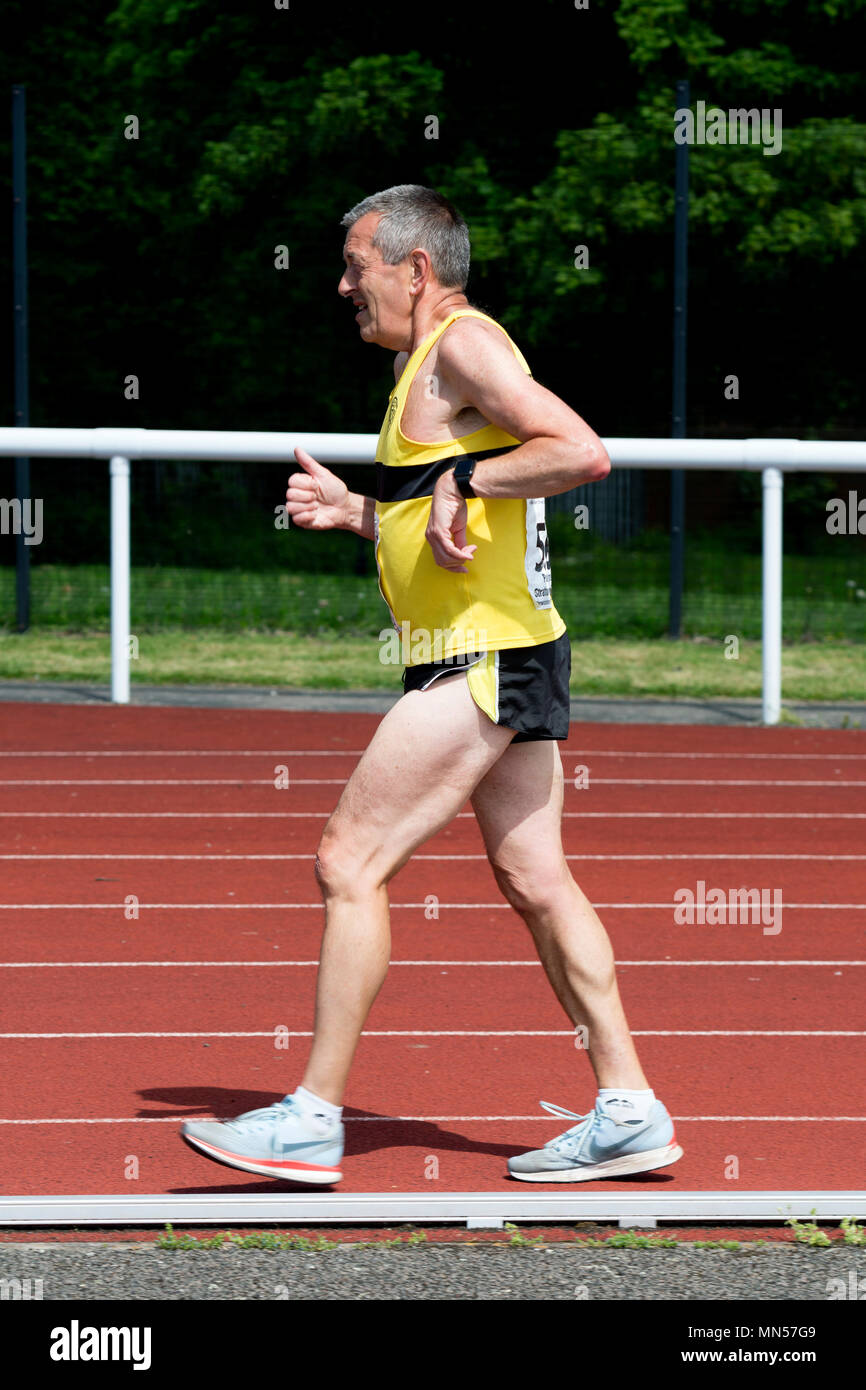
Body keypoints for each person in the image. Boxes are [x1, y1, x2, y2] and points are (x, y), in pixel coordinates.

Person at [182, 184, 683, 1185]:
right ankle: (626, 1104)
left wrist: (463, 482)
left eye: (355, 266)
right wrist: (362, 512)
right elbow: (454, 526)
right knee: (534, 878)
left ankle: (311, 1117)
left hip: (483, 656)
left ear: (414, 270)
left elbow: (578, 450)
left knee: (347, 859)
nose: (340, 285)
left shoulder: (460, 345)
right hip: (509, 645)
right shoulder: (426, 363)